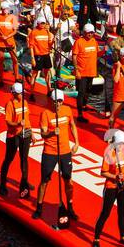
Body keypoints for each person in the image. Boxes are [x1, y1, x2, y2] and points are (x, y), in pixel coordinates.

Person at [33, 88, 77, 229]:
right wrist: (52, 133)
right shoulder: (45, 113)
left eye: (60, 101)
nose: (58, 104)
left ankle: (70, 207)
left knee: (68, 180)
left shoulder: (67, 110)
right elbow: (43, 134)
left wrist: (77, 142)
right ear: (51, 101)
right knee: (45, 180)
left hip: (65, 151)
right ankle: (39, 208)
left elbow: (72, 125)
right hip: (50, 152)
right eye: (55, 101)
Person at [92, 128, 124, 247]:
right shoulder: (109, 154)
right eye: (119, 144)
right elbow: (103, 172)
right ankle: (96, 238)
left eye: (122, 144)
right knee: (105, 213)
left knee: (122, 213)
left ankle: (123, 237)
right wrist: (115, 177)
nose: (121, 146)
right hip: (111, 187)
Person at [0, 82, 32, 198]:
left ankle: (24, 183)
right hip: (13, 135)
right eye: (18, 94)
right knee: (9, 158)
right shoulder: (10, 104)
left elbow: (27, 120)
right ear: (13, 93)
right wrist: (17, 123)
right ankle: (2, 184)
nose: (21, 95)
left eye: (21, 93)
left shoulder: (25, 102)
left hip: (25, 133)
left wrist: (30, 133)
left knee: (24, 159)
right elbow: (8, 121)